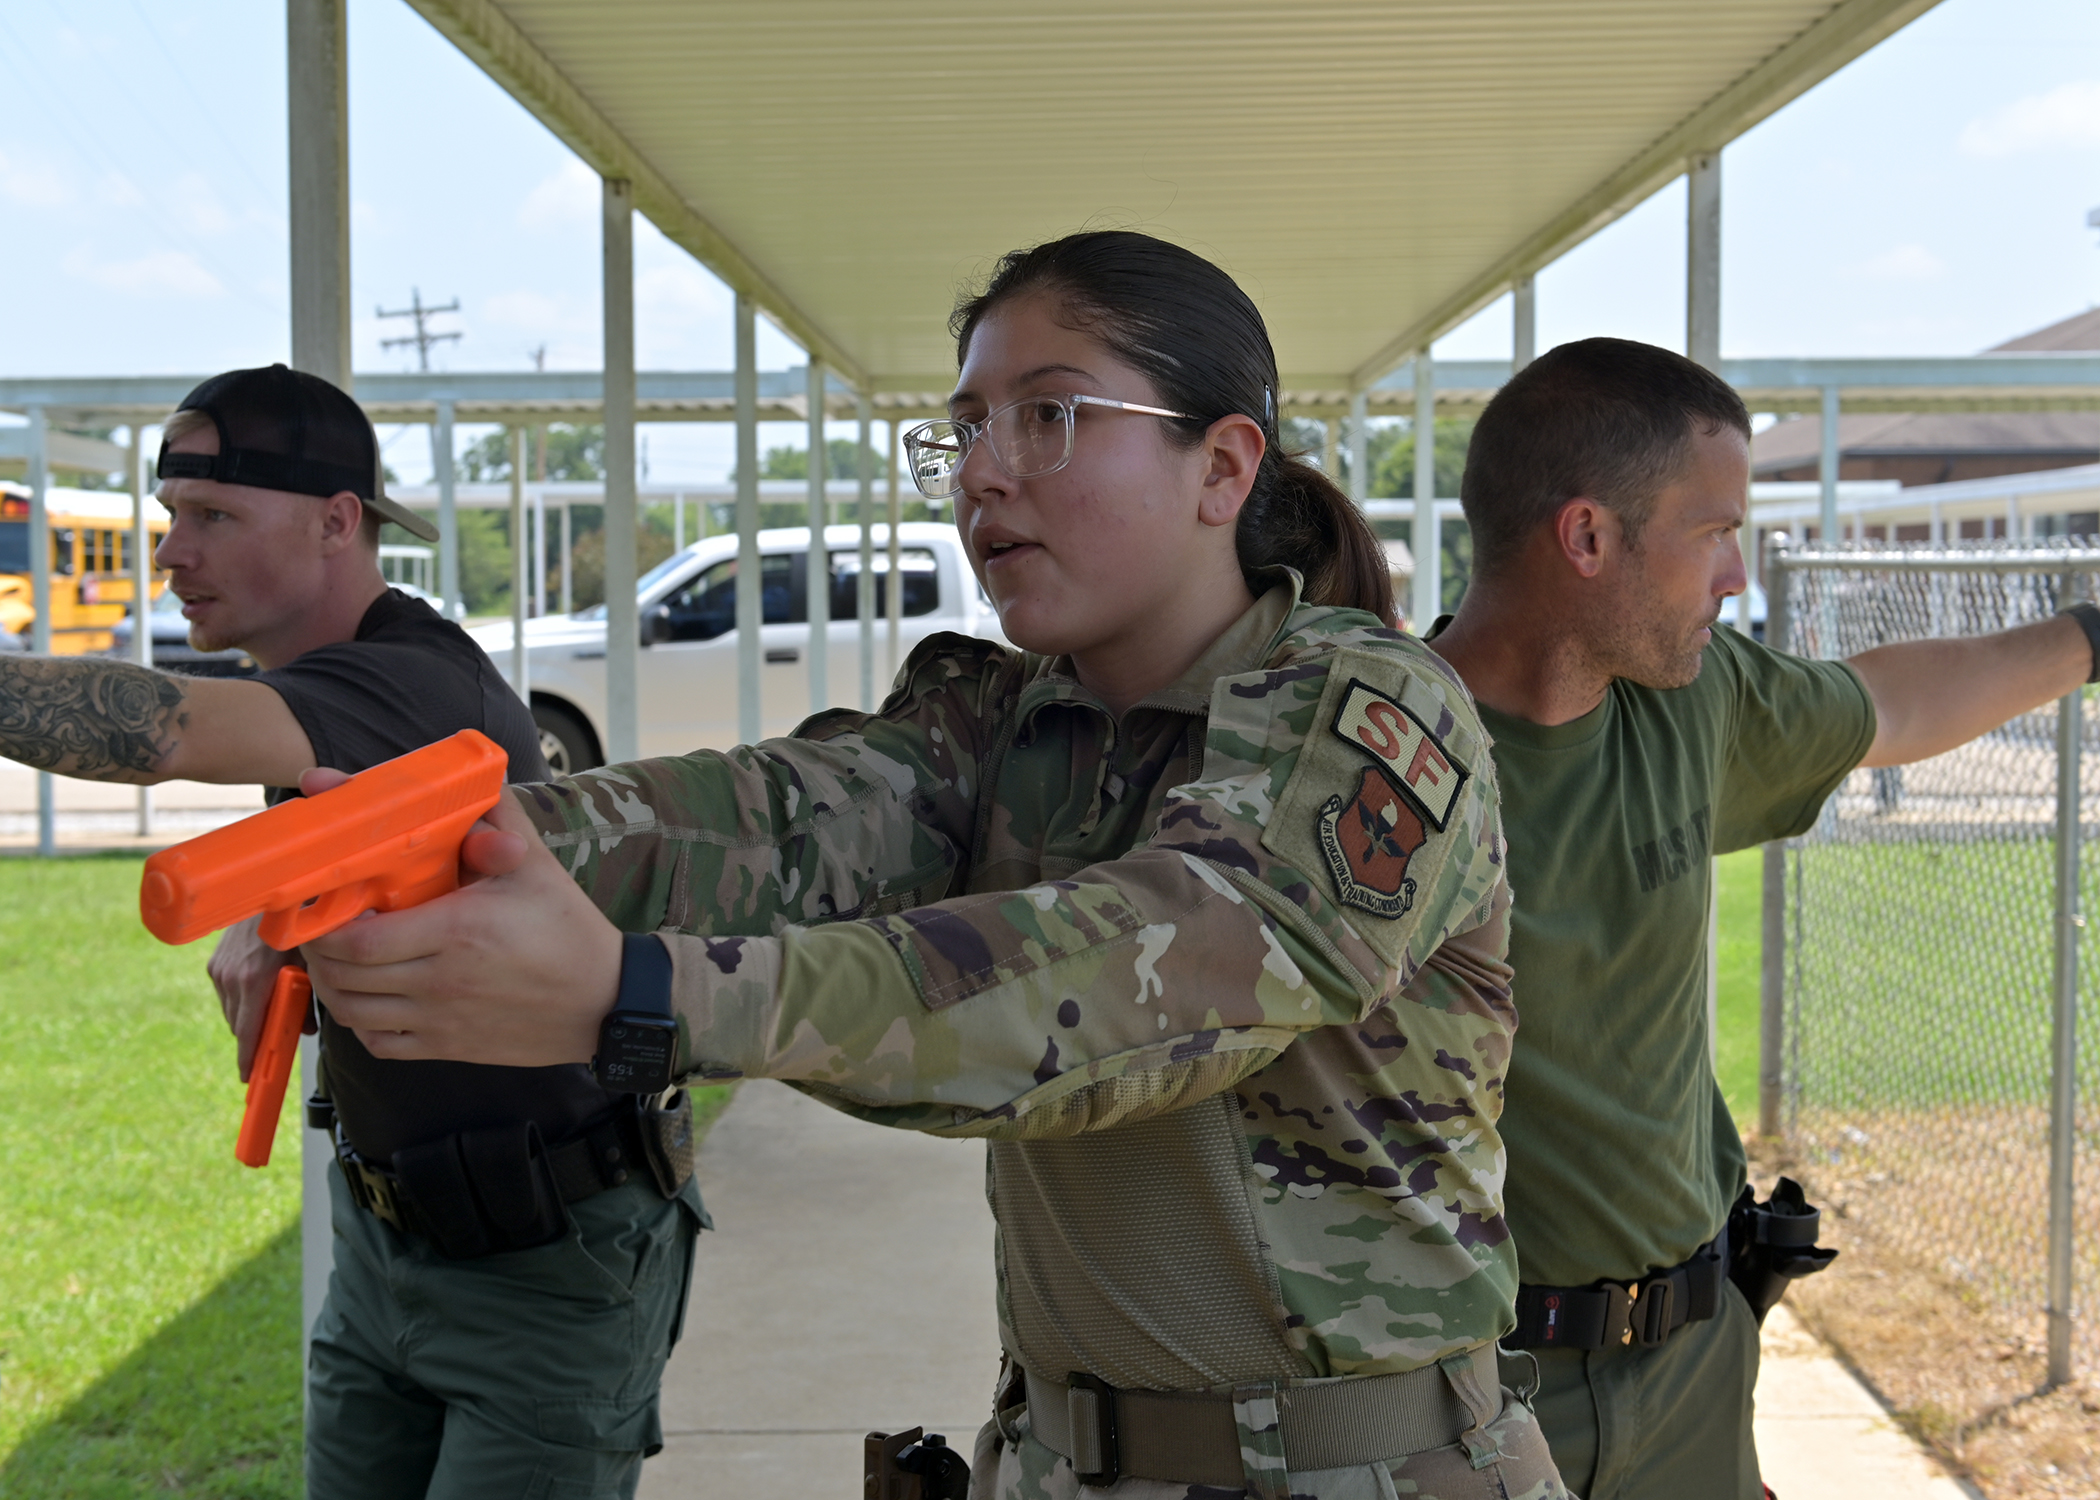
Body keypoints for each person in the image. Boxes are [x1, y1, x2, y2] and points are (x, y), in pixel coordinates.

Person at [305, 231, 1571, 1500]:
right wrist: (393, 854)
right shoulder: (1008, 721)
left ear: (1223, 465)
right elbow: (759, 819)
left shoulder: (1366, 713)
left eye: (1051, 415)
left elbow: (1142, 972)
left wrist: (645, 996)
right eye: (967, 430)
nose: (983, 475)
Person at [0, 364, 707, 1499]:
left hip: (546, 1262)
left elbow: (166, 730)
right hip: (387, 1244)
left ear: (339, 523)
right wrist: (279, 928)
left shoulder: (417, 688)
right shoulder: (335, 692)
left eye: (214, 517)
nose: (174, 552)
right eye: (175, 517)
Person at [1422, 337, 2096, 1500]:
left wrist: (2095, 635)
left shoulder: (1692, 702)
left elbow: (1886, 701)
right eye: (1715, 530)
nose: (1736, 574)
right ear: (1587, 538)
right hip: (1466, 1395)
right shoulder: (1380, 758)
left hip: (1691, 1367)